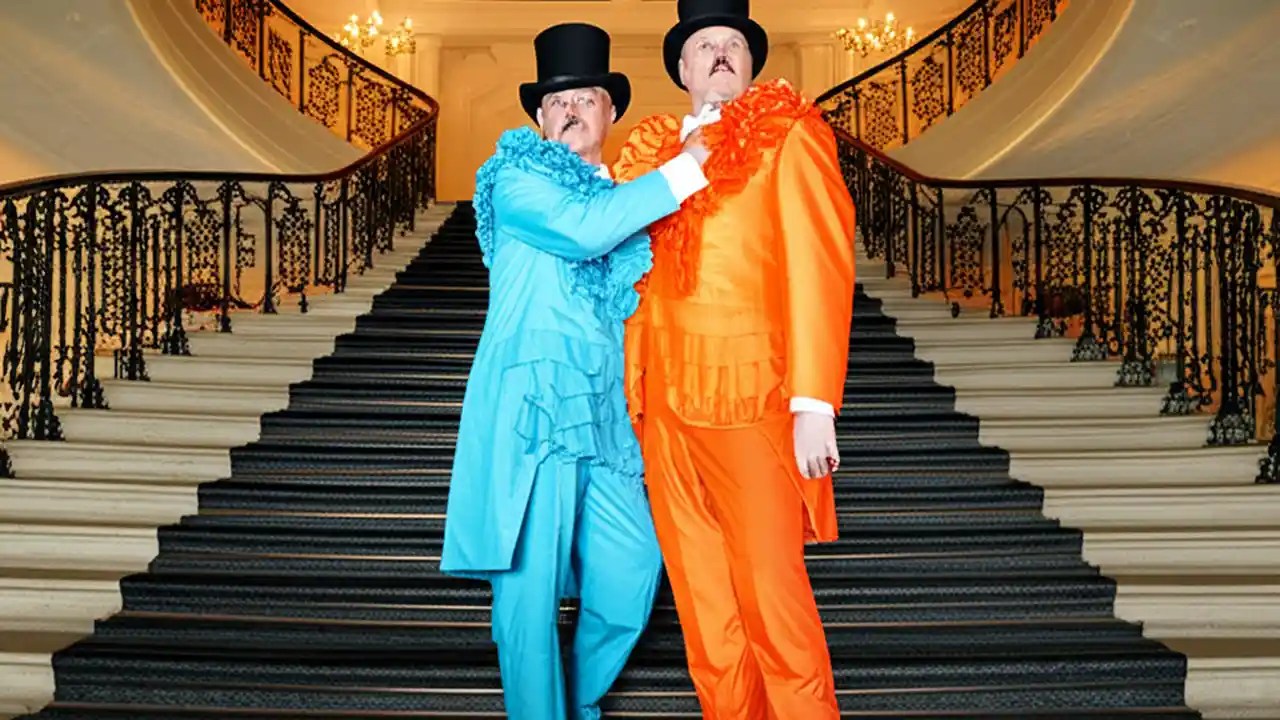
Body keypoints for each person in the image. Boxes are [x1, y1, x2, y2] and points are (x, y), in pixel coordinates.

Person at [439, 22, 710, 720]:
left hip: (603, 422)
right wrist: (687, 164)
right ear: (537, 116)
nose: (568, 110)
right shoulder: (517, 177)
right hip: (533, 412)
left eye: (584, 99)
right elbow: (586, 229)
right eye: (555, 101)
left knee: (632, 573)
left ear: (608, 113)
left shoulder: (617, 199)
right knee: (526, 608)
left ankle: (577, 702)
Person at [611, 0, 857, 716]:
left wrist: (814, 402)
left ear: (750, 63)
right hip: (664, 414)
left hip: (753, 404)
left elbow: (822, 263)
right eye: (704, 45)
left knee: (775, 615)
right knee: (709, 630)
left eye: (732, 45)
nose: (719, 53)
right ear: (682, 68)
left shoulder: (791, 136)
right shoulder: (651, 154)